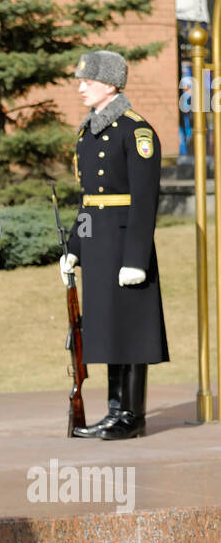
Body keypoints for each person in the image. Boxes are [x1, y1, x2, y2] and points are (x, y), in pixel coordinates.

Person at [61, 50, 168, 440]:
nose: (81, 87)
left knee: (131, 330)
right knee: (106, 329)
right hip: (99, 246)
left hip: (125, 246)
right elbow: (88, 199)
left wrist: (136, 257)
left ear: (109, 83)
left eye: (87, 80)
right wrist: (75, 246)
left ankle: (131, 415)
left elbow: (145, 200)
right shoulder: (88, 131)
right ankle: (113, 411)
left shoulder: (135, 131)